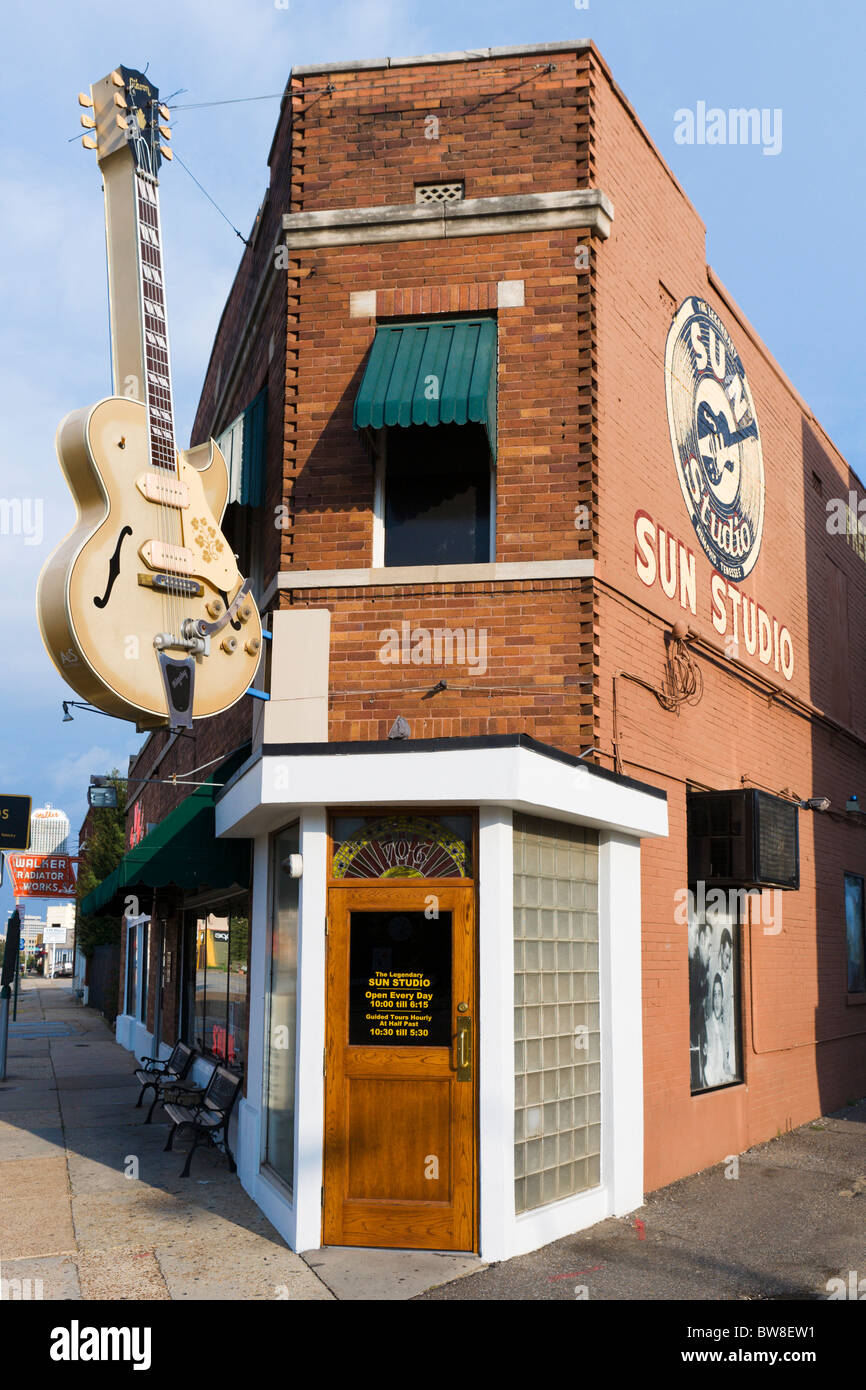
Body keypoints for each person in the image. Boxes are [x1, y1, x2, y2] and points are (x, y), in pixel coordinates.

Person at [689, 920, 710, 1089]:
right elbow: (695, 1009)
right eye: (708, 946)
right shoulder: (694, 968)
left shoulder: (703, 969)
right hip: (693, 1041)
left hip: (698, 1039)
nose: (710, 952)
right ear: (700, 939)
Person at [704, 973, 732, 1086]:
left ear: (723, 997)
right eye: (714, 995)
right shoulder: (707, 1025)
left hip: (724, 1078)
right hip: (711, 1080)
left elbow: (727, 1063)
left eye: (719, 994)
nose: (716, 999)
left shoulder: (725, 1026)